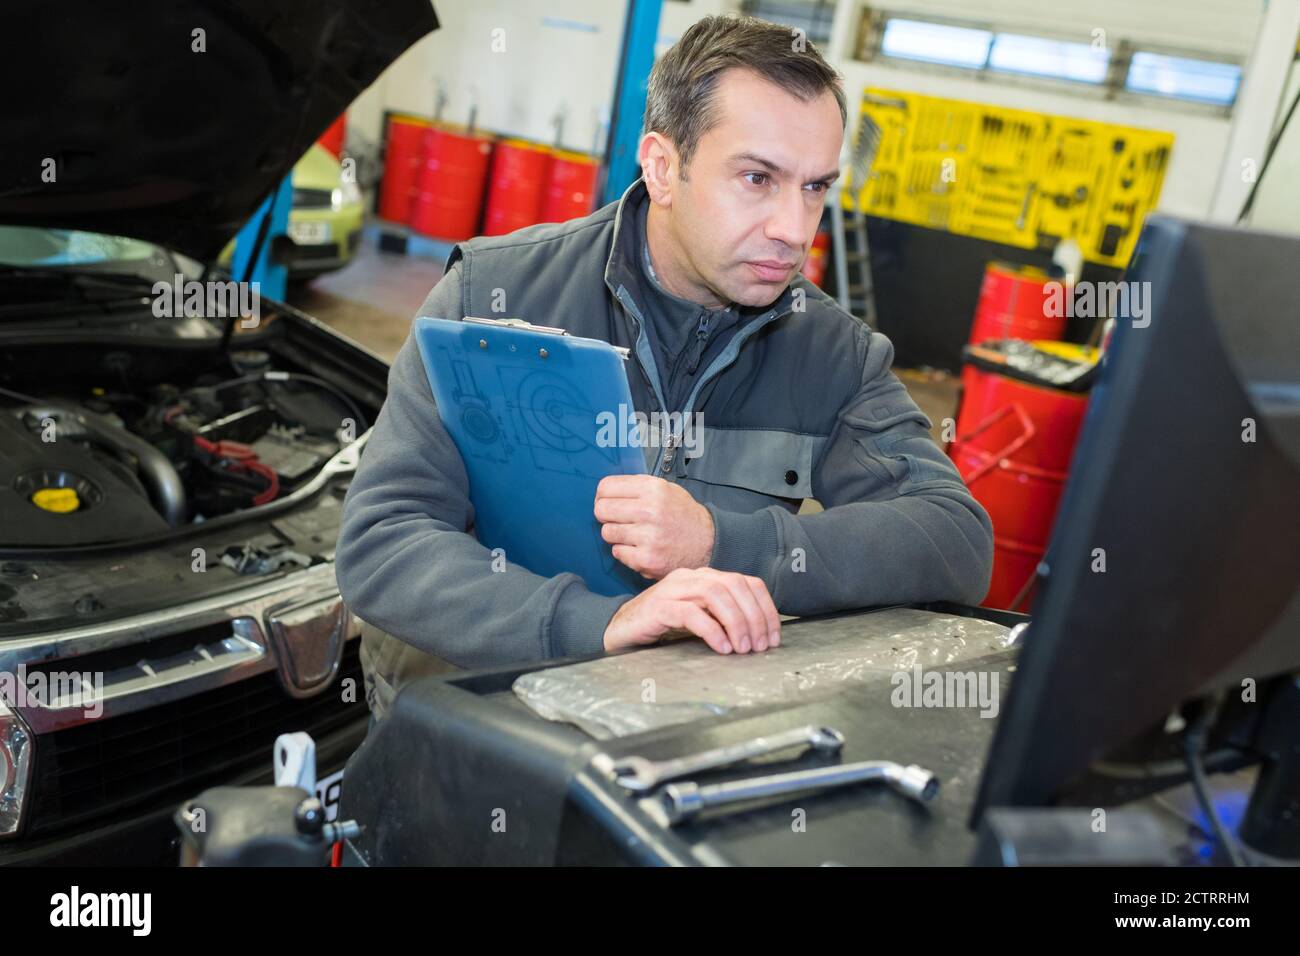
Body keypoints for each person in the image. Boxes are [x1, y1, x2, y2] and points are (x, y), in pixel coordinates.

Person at [336, 15, 993, 721]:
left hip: (674, 725)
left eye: (815, 188)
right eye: (757, 178)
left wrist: (719, 542)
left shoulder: (832, 353)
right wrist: (594, 625)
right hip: (474, 705)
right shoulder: (491, 298)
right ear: (661, 166)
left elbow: (954, 540)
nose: (795, 229)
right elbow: (384, 541)